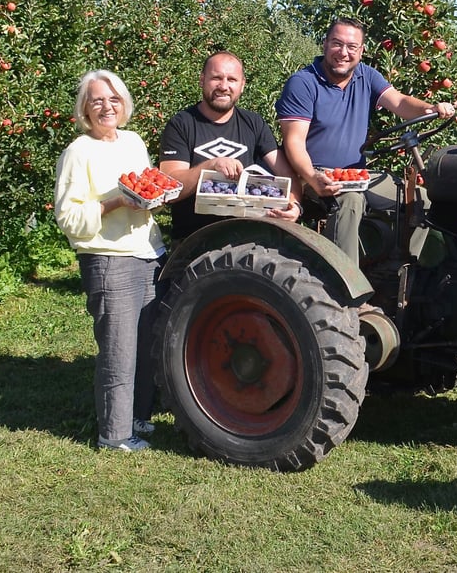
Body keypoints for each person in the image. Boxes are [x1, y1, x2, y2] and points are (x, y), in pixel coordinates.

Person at [276, 16, 455, 264]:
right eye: (337, 44)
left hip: (355, 175)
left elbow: (401, 102)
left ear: (361, 51)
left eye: (352, 47)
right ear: (325, 44)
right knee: (350, 200)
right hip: (311, 174)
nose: (343, 53)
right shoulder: (303, 83)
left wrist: (430, 108)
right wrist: (313, 178)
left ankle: (403, 271)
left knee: (421, 201)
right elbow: (294, 142)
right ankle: (345, 290)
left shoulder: (367, 76)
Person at [54, 70, 166, 452]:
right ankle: (115, 435)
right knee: (118, 347)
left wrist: (154, 195)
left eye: (114, 99)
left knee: (147, 343)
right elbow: (68, 217)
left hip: (148, 252)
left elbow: (146, 182)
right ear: (85, 107)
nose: (107, 106)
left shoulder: (133, 141)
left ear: (124, 104)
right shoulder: (78, 152)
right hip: (108, 258)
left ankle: (136, 416)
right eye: (97, 100)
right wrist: (115, 202)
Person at [159, 51, 303, 242]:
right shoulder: (181, 124)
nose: (224, 86)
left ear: (242, 85)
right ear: (202, 80)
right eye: (216, 78)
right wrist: (211, 165)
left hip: (249, 240)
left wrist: (295, 206)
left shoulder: (253, 123)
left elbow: (286, 173)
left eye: (232, 79)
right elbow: (170, 188)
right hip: (194, 242)